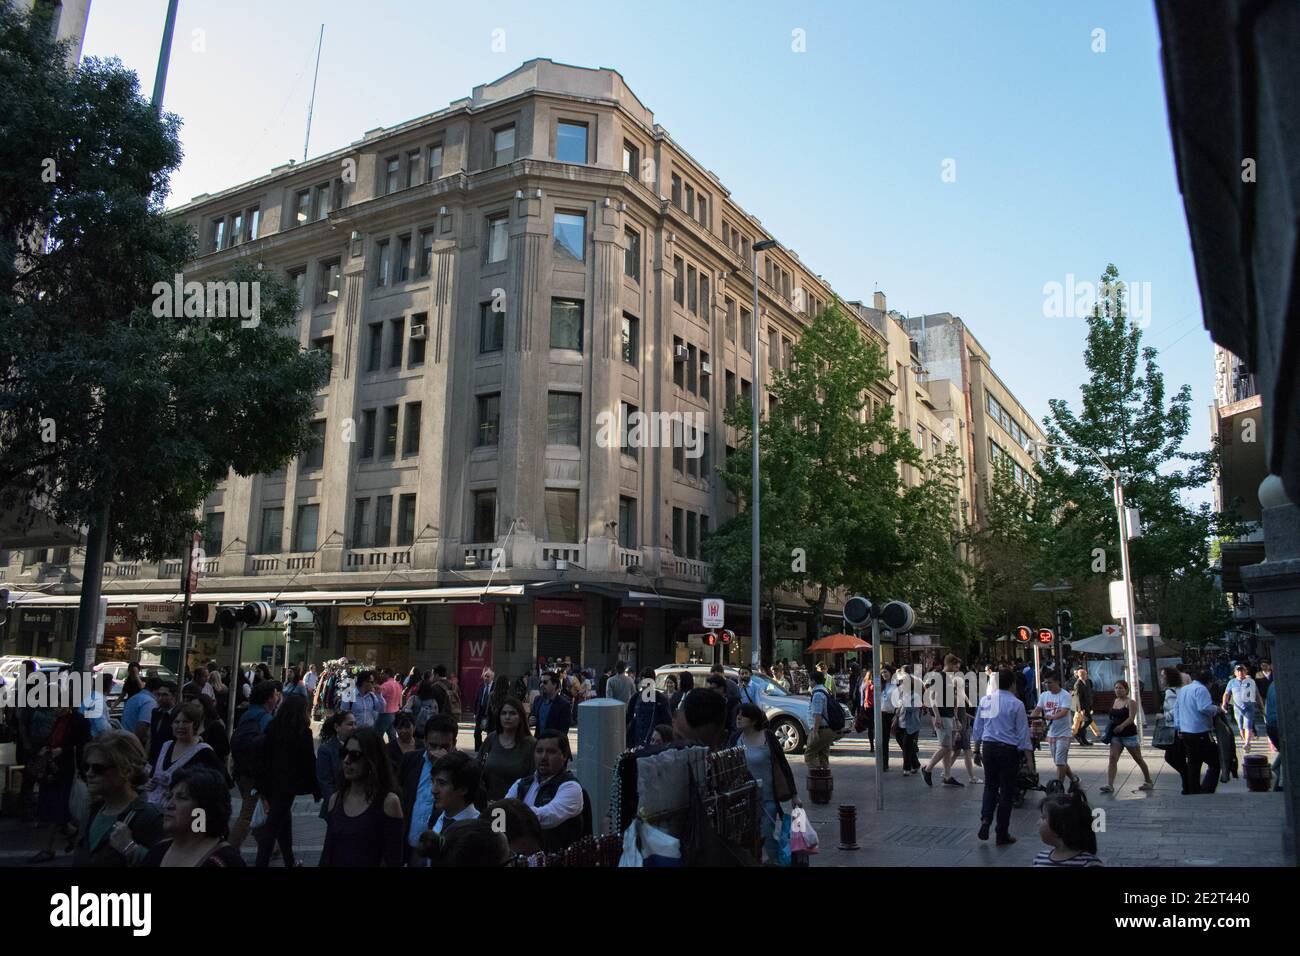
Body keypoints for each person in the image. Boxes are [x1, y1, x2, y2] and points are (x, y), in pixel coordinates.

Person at [75, 730, 164, 867]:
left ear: (126, 771)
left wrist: (131, 849)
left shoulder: (149, 817)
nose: (89, 773)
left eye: (98, 768)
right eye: (86, 767)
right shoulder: (91, 811)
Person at [318, 727, 404, 867]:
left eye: (355, 755)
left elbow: (393, 859)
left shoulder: (388, 802)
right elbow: (328, 853)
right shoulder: (335, 800)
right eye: (344, 753)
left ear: (372, 759)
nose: (347, 760)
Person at [253, 693, 320, 867]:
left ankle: (289, 861)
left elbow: (263, 756)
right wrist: (315, 788)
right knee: (273, 826)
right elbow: (309, 762)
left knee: (283, 822)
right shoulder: (302, 732)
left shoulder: (273, 726)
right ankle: (262, 862)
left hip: (270, 782)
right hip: (287, 786)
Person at [731, 703, 799, 864]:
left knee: (767, 834)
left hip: (767, 799)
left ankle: (775, 861)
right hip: (743, 800)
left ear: (754, 720)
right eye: (737, 714)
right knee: (747, 838)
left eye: (743, 715)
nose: (738, 718)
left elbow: (783, 765)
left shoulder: (768, 737)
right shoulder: (735, 738)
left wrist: (794, 795)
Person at [972, 668, 1033, 845]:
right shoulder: (1016, 704)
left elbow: (978, 727)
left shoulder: (986, 700)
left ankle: (985, 820)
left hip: (988, 748)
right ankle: (1001, 832)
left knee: (990, 786)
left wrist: (976, 750)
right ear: (1013, 684)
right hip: (1008, 750)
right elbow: (1023, 733)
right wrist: (1029, 759)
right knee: (1006, 791)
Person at [503, 730, 591, 852]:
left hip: (559, 858)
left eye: (551, 752)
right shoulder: (521, 783)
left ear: (564, 756)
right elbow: (502, 812)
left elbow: (548, 816)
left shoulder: (571, 787)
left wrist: (512, 815)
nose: (543, 757)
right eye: (539, 751)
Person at [142, 766, 244, 867]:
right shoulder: (158, 851)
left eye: (182, 798)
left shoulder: (224, 861)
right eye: (169, 797)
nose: (169, 805)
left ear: (206, 809)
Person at [27, 703, 90, 864]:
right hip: (53, 770)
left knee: (56, 809)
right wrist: (47, 749)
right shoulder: (58, 720)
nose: (56, 708)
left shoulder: (77, 721)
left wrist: (63, 750)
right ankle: (73, 834)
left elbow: (83, 744)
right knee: (56, 810)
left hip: (66, 771)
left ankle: (49, 848)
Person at [400, 713, 459, 865]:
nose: (437, 751)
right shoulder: (410, 760)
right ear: (425, 741)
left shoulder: (463, 767)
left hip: (440, 850)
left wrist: (447, 766)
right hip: (409, 845)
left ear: (454, 743)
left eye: (444, 747)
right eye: (432, 746)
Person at [145, 701, 225, 807]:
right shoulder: (166, 746)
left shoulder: (204, 751)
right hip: (153, 807)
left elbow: (218, 783)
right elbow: (153, 775)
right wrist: (150, 783)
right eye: (176, 722)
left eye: (186, 722)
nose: (180, 726)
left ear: (195, 724)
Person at [228, 679, 277, 848]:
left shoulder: (248, 714)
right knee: (248, 814)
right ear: (269, 698)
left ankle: (271, 847)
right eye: (275, 695)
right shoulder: (266, 718)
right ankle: (230, 849)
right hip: (255, 774)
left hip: (241, 770)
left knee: (259, 808)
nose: (277, 698)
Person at [1100, 680, 1153, 794]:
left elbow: (1131, 718)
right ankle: (1109, 785)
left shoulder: (1131, 702)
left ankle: (1148, 781)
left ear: (1126, 689)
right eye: (1116, 688)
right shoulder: (1115, 701)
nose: (1118, 690)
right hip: (1115, 735)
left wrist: (1122, 726)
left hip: (1129, 735)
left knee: (1138, 758)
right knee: (1112, 758)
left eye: (1121, 688)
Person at [478, 697, 534, 802]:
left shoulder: (530, 744)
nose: (507, 717)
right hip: (488, 803)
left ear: (521, 716)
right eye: (504, 713)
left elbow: (533, 780)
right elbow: (477, 767)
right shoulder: (491, 739)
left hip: (516, 805)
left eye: (512, 713)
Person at [1175, 668, 1221, 795]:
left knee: (1193, 763)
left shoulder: (1184, 689)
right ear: (1209, 681)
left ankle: (1193, 789)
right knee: (1215, 761)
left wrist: (1178, 727)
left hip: (1186, 731)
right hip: (1200, 731)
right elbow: (1204, 708)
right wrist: (1216, 709)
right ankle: (1207, 788)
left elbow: (1176, 708)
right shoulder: (1201, 689)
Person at [922, 655, 964, 787]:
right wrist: (937, 715)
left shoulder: (951, 678)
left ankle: (947, 776)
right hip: (942, 715)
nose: (958, 668)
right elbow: (932, 696)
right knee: (946, 746)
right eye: (956, 665)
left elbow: (954, 700)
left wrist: (956, 718)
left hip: (949, 715)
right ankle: (927, 769)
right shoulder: (938, 676)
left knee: (948, 747)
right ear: (949, 664)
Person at [1031, 669, 1077, 790]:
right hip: (1051, 733)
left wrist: (1052, 717)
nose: (1047, 685)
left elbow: (1064, 711)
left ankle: (1058, 786)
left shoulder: (1065, 695)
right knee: (1059, 761)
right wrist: (1030, 719)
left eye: (1050, 682)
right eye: (1045, 682)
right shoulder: (1044, 695)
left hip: (1064, 733)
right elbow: (1037, 710)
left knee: (1060, 761)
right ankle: (1073, 779)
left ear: (1057, 682)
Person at [1033, 790, 1103, 866]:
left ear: (1061, 826)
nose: (1038, 823)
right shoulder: (1040, 857)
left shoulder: (1090, 864)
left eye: (1043, 818)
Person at [316, 710, 355, 821]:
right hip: (337, 806)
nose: (354, 727)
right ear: (337, 727)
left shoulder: (358, 746)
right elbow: (325, 782)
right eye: (350, 724)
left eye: (355, 723)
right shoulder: (326, 750)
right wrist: (336, 804)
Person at [628, 667, 673, 748]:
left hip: (655, 742)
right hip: (638, 742)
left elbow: (667, 722)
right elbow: (629, 718)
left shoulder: (660, 698)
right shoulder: (635, 697)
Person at [1222, 663, 1259, 753]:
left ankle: (1247, 743)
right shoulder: (1231, 682)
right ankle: (1246, 739)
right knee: (1241, 728)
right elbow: (1226, 693)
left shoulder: (1250, 681)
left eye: (1242, 670)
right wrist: (1224, 703)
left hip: (1249, 707)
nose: (1240, 672)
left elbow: (1257, 694)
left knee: (1248, 725)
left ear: (1246, 671)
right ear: (1235, 673)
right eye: (1238, 671)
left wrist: (1261, 706)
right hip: (1237, 708)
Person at [894, 668, 923, 775]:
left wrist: (905, 702)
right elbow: (898, 706)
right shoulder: (901, 694)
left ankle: (906, 768)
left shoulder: (915, 695)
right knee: (905, 744)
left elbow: (913, 709)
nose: (902, 684)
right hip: (900, 723)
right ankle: (916, 764)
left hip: (911, 725)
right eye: (901, 682)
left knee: (906, 746)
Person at [121, 676, 161, 749]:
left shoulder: (134, 697)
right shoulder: (150, 702)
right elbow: (142, 726)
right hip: (135, 743)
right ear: (156, 690)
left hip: (126, 738)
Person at [1071, 666, 1100, 745]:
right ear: (1081, 675)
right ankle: (1079, 732)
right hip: (1082, 707)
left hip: (1087, 705)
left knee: (1082, 723)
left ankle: (1083, 739)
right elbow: (1078, 697)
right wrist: (1081, 709)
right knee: (1088, 720)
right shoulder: (1078, 684)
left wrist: (1091, 706)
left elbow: (1089, 694)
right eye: (1084, 674)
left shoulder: (1086, 682)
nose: (1086, 675)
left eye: (1086, 674)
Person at [375, 668, 403, 743]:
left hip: (385, 714)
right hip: (394, 713)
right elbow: (400, 701)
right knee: (392, 735)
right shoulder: (398, 685)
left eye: (382, 673)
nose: (381, 675)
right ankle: (393, 748)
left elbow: (377, 698)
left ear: (387, 674)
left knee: (376, 735)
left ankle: (378, 749)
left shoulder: (385, 685)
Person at [877, 665, 896, 770]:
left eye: (886, 672)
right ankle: (885, 764)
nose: (884, 674)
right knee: (884, 740)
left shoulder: (896, 684)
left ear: (891, 673)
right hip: (883, 714)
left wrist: (897, 715)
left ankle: (913, 761)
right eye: (882, 672)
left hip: (894, 714)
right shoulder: (880, 685)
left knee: (902, 740)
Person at [473, 667, 496, 752]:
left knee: (489, 733)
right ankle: (478, 750)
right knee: (476, 733)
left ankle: (489, 750)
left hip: (490, 714)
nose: (486, 678)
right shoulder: (481, 686)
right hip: (480, 713)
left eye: (488, 676)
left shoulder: (495, 687)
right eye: (485, 676)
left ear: (492, 677)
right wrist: (475, 712)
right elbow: (476, 700)